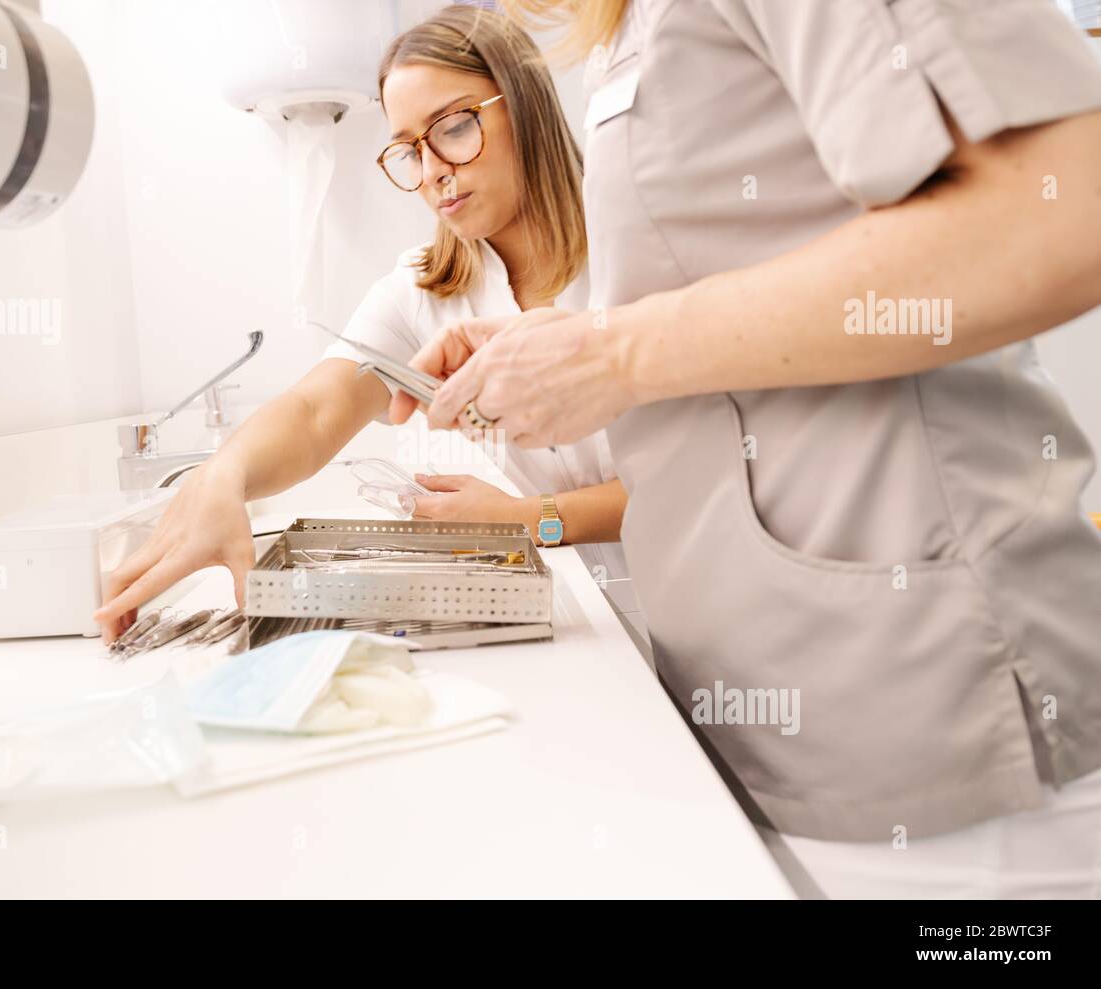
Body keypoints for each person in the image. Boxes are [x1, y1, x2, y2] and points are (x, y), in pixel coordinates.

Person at [398, 0, 1101, 897]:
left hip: (926, 727)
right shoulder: (625, 28)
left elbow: (1053, 208)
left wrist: (615, 354)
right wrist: (571, 348)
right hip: (766, 726)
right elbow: (748, 282)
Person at [95, 6, 640, 651]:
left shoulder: (635, 242)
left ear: (525, 106)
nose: (433, 169)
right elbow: (315, 408)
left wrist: (529, 519)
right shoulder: (427, 288)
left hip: (706, 602)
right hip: (596, 628)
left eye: (455, 127)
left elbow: (701, 477)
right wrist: (223, 473)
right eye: (409, 149)